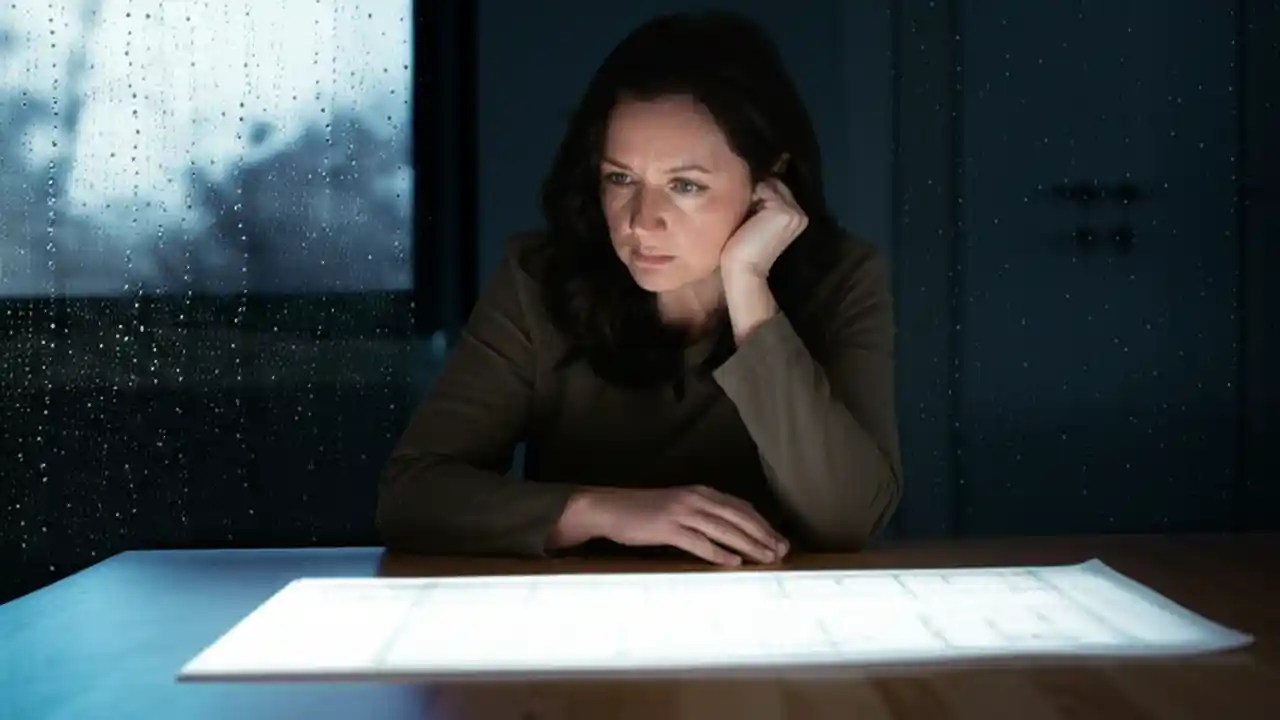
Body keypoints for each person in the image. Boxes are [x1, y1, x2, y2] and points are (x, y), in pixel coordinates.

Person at [377, 10, 902, 567]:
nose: (641, 221)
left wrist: (748, 287)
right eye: (620, 179)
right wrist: (602, 510)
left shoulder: (842, 278)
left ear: (768, 180)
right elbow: (410, 496)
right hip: (580, 624)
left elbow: (849, 519)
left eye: (685, 185)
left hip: (772, 623)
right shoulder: (539, 278)